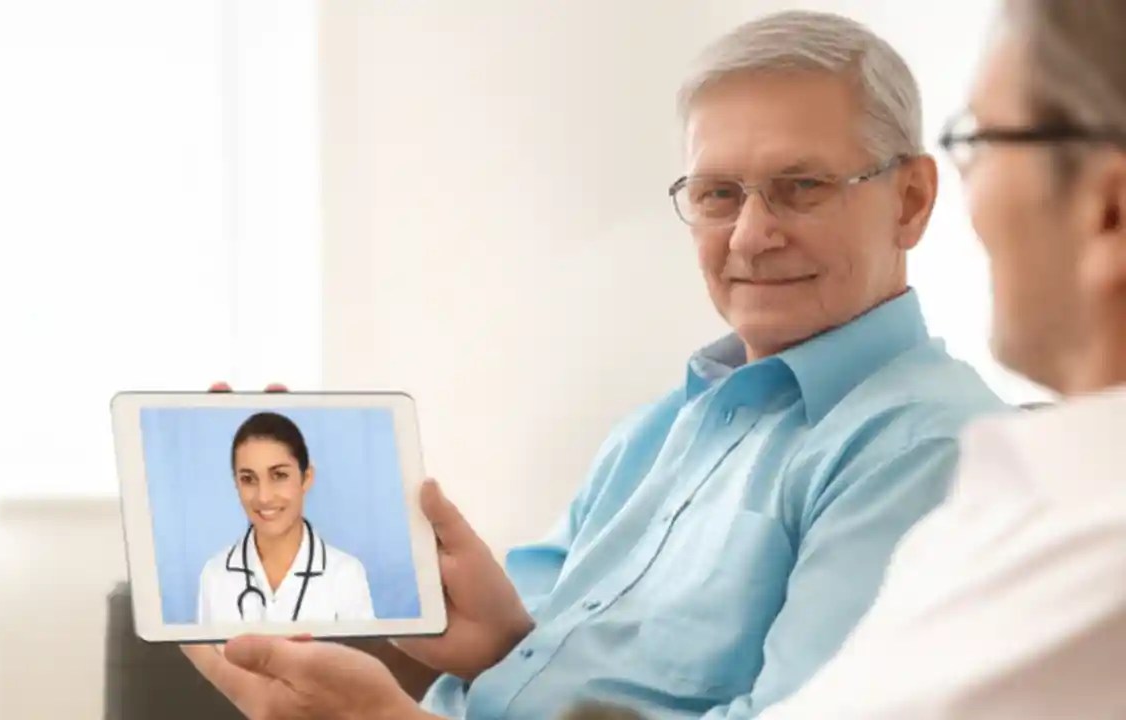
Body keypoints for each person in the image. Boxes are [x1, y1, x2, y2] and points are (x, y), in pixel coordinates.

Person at [182, 10, 1010, 719]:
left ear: (910, 200)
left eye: (799, 186)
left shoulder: (926, 448)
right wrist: (487, 634)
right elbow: (535, 666)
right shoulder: (664, 427)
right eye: (719, 194)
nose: (752, 235)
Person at [755, 1, 1126, 717]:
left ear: (1109, 211)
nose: (753, 236)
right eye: (713, 194)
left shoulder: (1087, 565)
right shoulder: (1020, 492)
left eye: (980, 142)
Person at [196, 411, 376, 624]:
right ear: (236, 483)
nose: (264, 497)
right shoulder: (215, 575)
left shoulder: (345, 574)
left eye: (279, 475)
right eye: (248, 479)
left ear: (306, 478)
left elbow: (360, 658)